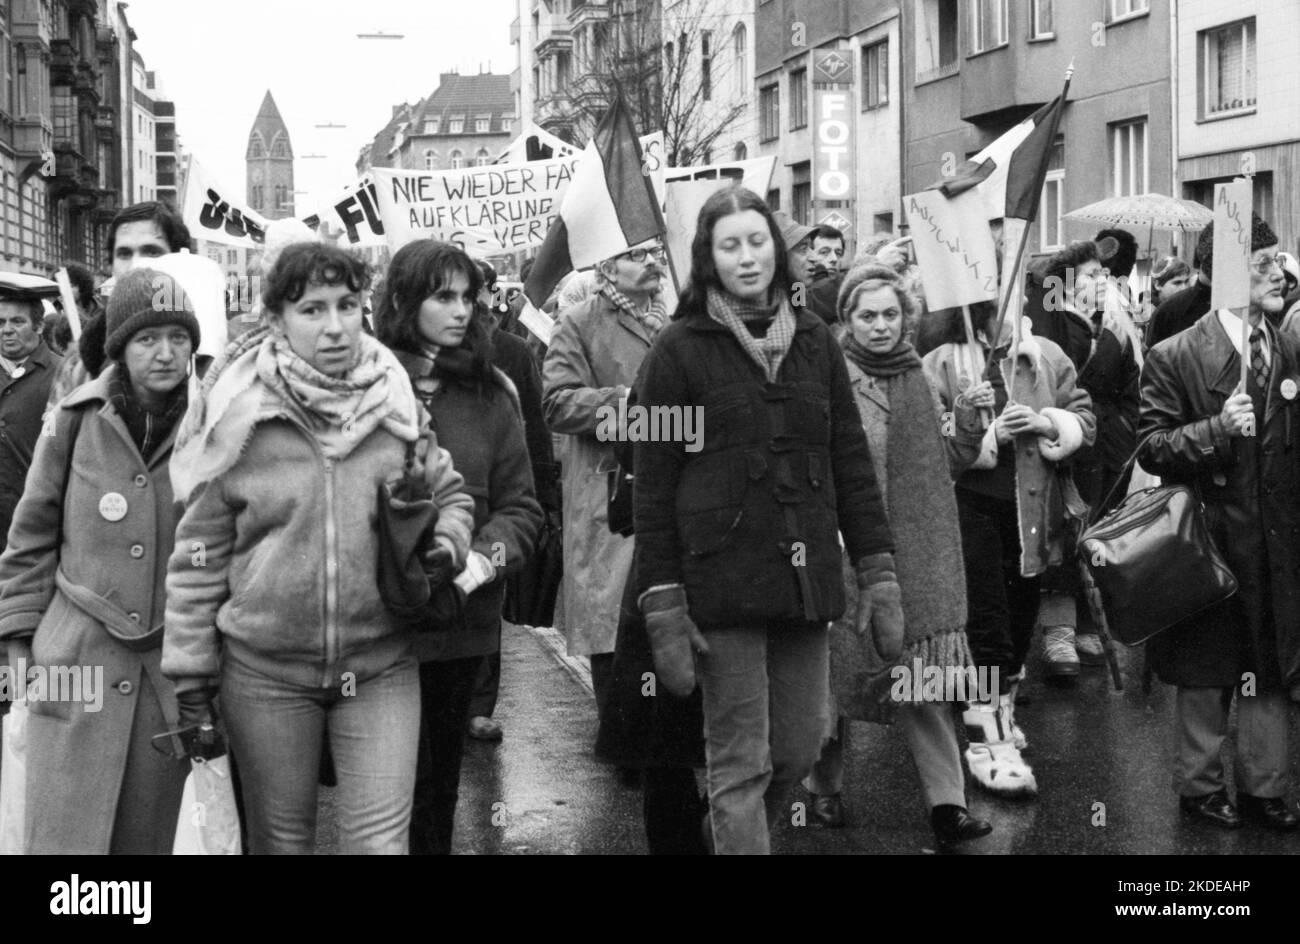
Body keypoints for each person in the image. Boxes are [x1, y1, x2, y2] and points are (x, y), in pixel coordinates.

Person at [162, 242, 475, 854]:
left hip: (379, 667)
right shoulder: (236, 414)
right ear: (276, 318)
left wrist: (447, 543)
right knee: (283, 844)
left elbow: (455, 498)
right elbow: (196, 557)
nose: (334, 327)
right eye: (312, 309)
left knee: (381, 846)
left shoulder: (395, 400)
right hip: (265, 675)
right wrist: (191, 677)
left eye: (347, 305)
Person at [634, 187, 898, 855]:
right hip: (719, 585)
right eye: (730, 245)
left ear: (776, 250)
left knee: (798, 749)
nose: (746, 257)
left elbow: (851, 462)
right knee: (740, 762)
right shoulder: (676, 349)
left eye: (756, 241)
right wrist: (664, 603)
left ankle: (718, 837)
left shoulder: (815, 341)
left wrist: (878, 570)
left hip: (805, 584)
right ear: (708, 258)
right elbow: (653, 483)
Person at [0, 267, 200, 852]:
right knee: (64, 833)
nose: (165, 353)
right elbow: (30, 538)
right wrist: (17, 646)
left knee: (149, 837)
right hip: (75, 658)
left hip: (168, 666)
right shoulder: (71, 421)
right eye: (146, 339)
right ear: (118, 346)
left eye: (178, 338)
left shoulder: (213, 425)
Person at [803, 264, 993, 851]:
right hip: (846, 550)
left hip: (917, 555)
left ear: (906, 317)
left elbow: (946, 466)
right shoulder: (830, 375)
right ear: (847, 320)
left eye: (890, 314)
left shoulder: (917, 376)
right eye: (867, 316)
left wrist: (966, 421)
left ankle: (947, 805)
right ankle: (822, 786)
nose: (881, 326)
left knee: (923, 679)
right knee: (836, 677)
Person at [378, 240, 542, 854]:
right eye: (442, 295)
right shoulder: (359, 381)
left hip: (456, 624)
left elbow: (523, 510)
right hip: (373, 626)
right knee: (380, 791)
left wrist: (476, 565)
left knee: (435, 792)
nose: (460, 310)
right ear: (402, 299)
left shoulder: (492, 392)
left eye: (468, 298)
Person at [1138, 215, 1300, 832]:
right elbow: (1151, 447)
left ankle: (1266, 787)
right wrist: (1214, 431)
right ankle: (1200, 787)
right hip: (1209, 536)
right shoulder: (1175, 354)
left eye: (1279, 258)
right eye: (1261, 263)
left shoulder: (1287, 344)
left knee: (1270, 660)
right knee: (1208, 667)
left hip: (1276, 536)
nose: (1278, 272)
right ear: (1219, 275)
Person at [924, 299, 1095, 797]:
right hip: (966, 509)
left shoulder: (1044, 354)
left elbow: (1085, 416)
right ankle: (986, 744)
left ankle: (1001, 714)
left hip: (1031, 513)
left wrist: (1048, 424)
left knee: (1021, 622)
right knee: (988, 628)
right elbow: (926, 436)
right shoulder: (938, 361)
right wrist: (985, 435)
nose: (1016, 300)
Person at [542, 238, 667, 715]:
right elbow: (557, 404)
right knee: (613, 623)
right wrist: (633, 403)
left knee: (665, 617)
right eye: (639, 255)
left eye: (656, 252)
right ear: (609, 270)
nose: (654, 261)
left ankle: (665, 745)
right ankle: (622, 740)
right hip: (608, 491)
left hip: (668, 488)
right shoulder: (579, 322)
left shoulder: (673, 320)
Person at [1032, 241, 1142, 679]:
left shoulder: (1113, 328)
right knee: (1058, 538)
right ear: (1066, 282)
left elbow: (1131, 390)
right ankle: (1056, 631)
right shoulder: (1051, 328)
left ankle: (1083, 623)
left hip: (1103, 453)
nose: (1102, 282)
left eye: (1104, 274)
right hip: (1060, 453)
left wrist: (1118, 438)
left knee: (1091, 534)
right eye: (1092, 275)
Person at [467, 258, 559, 742]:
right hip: (438, 501)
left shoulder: (512, 352)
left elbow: (537, 427)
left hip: (498, 499)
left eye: (471, 292)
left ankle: (480, 704)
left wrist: (544, 492)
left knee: (487, 592)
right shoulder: (409, 355)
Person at [47, 201, 193, 408]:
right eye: (124, 254)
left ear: (180, 258)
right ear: (111, 264)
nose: (135, 265)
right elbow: (53, 434)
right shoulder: (78, 364)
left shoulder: (210, 354)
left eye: (151, 252)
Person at [0, 274, 64, 553]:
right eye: (1, 322)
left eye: (17, 321)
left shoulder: (64, 374)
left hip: (36, 520)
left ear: (39, 326)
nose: (6, 330)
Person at [1146, 238, 1213, 348]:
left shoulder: (1187, 307)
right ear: (1158, 285)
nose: (1183, 287)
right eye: (1177, 283)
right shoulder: (1148, 313)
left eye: (1186, 281)